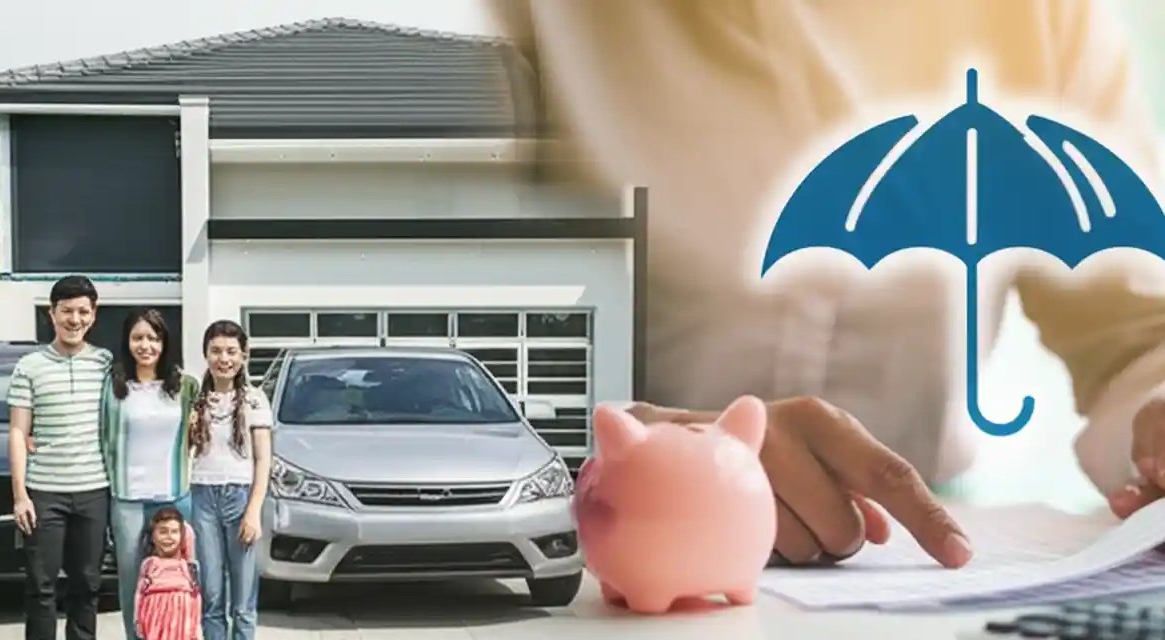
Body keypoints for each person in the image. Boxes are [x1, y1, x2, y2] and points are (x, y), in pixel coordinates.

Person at [487, 0, 1165, 567]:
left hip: (912, 572)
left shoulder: (1040, 16)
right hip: (601, 574)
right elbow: (424, 361)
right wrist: (657, 457)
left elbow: (1137, 333)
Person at [7, 274, 115, 640]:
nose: (74, 319)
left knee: (87, 582)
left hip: (94, 490)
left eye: (82, 311)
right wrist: (20, 494)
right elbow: (18, 432)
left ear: (93, 315)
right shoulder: (29, 366)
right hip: (43, 492)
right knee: (41, 584)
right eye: (66, 311)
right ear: (51, 314)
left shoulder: (107, 363)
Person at [98, 308, 200, 640]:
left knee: (177, 586)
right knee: (135, 586)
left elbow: (205, 431)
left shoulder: (186, 386)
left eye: (154, 338)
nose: (146, 345)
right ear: (127, 342)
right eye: (138, 338)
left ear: (165, 343)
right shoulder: (111, 387)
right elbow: (99, 436)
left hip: (175, 498)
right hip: (126, 498)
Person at [186, 320, 272, 640]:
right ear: (206, 354)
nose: (224, 358)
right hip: (202, 495)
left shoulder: (254, 400)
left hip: (240, 497)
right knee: (212, 591)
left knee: (243, 591)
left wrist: (254, 510)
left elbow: (264, 460)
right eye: (216, 351)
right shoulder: (195, 399)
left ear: (243, 356)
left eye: (231, 351)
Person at [133, 507, 203, 640]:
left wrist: (195, 622)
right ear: (153, 536)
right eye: (162, 532)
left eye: (174, 532)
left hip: (180, 611)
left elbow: (195, 593)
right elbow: (140, 593)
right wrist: (138, 620)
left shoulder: (187, 565)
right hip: (156, 613)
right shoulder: (150, 564)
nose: (169, 537)